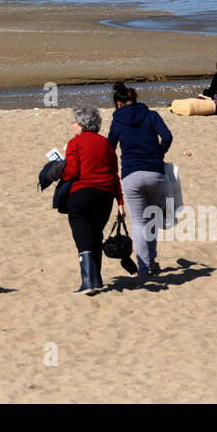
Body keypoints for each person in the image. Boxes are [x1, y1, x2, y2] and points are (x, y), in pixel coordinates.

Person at [107, 82, 174, 278]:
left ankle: (143, 268)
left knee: (138, 222)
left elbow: (110, 147)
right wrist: (158, 155)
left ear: (118, 103)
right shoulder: (151, 115)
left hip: (131, 175)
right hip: (155, 173)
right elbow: (167, 137)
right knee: (152, 218)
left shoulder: (117, 121)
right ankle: (152, 260)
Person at [61, 105, 120, 295]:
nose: (73, 126)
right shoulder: (106, 144)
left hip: (82, 194)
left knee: (82, 236)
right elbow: (114, 174)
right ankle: (97, 279)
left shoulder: (75, 143)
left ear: (81, 124)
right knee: (95, 234)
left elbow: (72, 172)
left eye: (74, 122)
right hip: (105, 195)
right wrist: (120, 201)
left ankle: (88, 281)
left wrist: (56, 169)